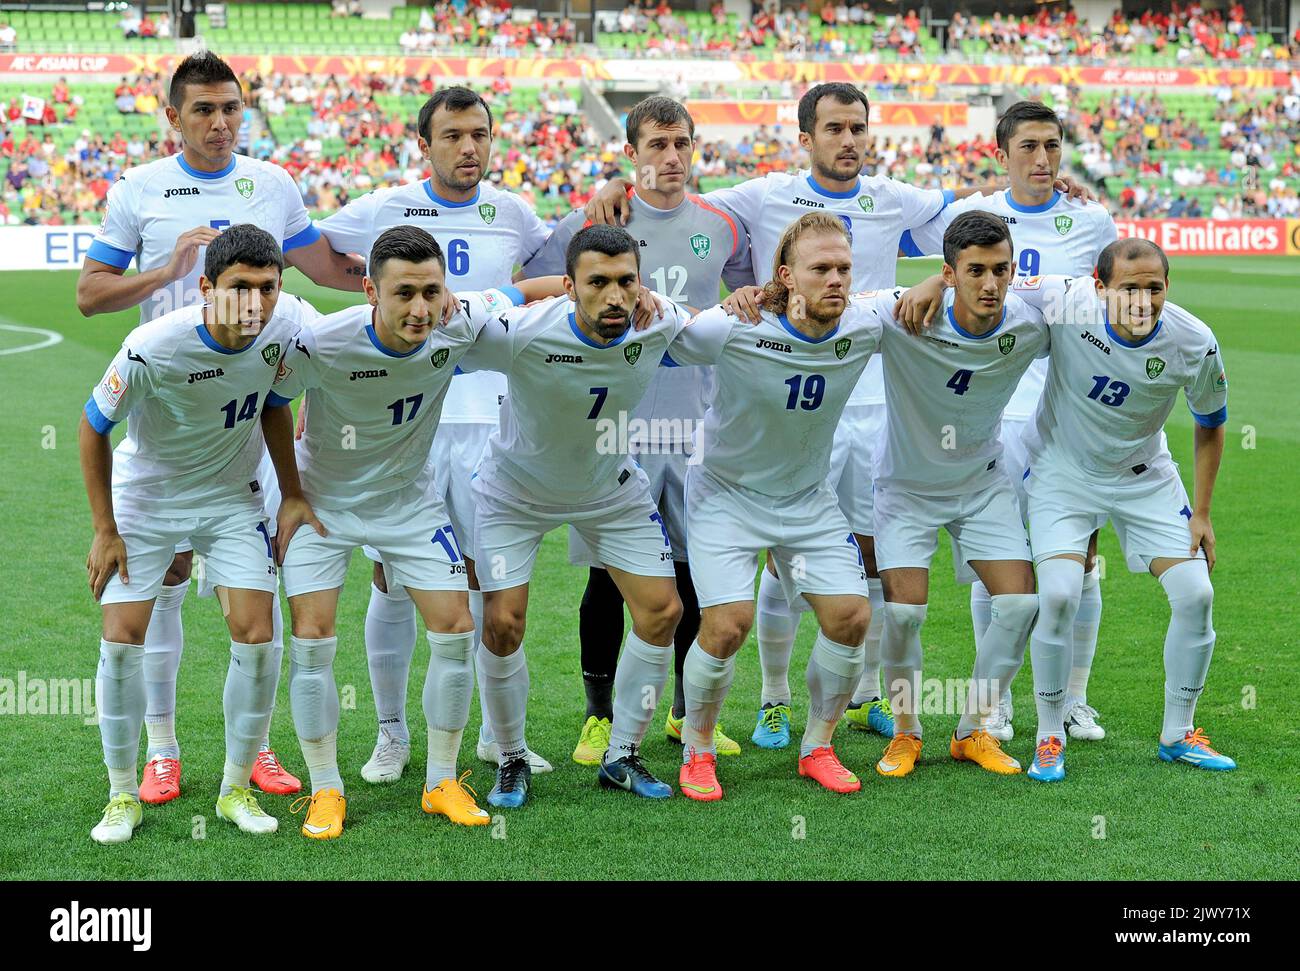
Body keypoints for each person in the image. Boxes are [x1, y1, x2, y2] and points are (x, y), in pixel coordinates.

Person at [587, 83, 977, 751]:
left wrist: (943, 275)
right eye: (834, 128)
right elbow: (678, 193)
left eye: (858, 127)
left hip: (866, 399)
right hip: (763, 404)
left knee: (868, 557)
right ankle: (770, 701)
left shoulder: (893, 197)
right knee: (765, 567)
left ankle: (862, 700)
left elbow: (972, 223)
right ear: (807, 137)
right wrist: (619, 179)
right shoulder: (762, 194)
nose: (848, 139)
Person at [77, 51, 365, 805]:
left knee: (253, 598)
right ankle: (163, 749)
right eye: (202, 109)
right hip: (166, 414)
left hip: (247, 415)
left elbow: (324, 267)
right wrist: (166, 269)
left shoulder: (272, 184)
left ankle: (257, 749)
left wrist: (397, 280)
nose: (219, 121)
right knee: (164, 585)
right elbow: (90, 295)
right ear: (172, 116)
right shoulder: (139, 189)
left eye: (231, 107)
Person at [267, 226, 566, 839]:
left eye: (432, 291)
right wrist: (292, 493)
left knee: (456, 631)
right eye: (404, 294)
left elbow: (523, 290)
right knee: (313, 639)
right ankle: (326, 789)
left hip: (410, 504)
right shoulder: (324, 341)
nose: (421, 308)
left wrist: (599, 287)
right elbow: (273, 401)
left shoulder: (454, 321)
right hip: (326, 505)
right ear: (371, 291)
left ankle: (441, 780)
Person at [316, 85, 553, 782]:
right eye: (452, 135)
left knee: (488, 583)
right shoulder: (384, 208)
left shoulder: (514, 212)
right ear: (426, 144)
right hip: (405, 426)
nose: (469, 147)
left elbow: (540, 283)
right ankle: (391, 734)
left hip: (493, 423)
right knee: (390, 578)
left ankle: (495, 735)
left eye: (479, 133)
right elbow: (320, 256)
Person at [519, 96, 753, 767]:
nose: (671, 158)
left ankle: (682, 712)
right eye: (656, 145)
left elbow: (744, 299)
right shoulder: (595, 221)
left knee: (688, 570)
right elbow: (530, 283)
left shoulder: (722, 224)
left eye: (681, 143)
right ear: (632, 153)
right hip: (614, 422)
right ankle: (599, 716)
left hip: (694, 422)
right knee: (606, 570)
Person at [79, 224, 313, 844]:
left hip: (232, 499)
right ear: (207, 288)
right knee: (123, 639)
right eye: (240, 288)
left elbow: (274, 404)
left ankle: (236, 787)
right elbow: (92, 424)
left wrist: (291, 493)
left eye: (268, 288)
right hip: (148, 500)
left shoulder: (283, 329)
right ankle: (122, 794)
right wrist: (105, 529)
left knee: (257, 636)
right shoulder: (152, 346)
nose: (255, 303)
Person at [900, 100, 1118, 742]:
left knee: (1080, 554)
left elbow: (1116, 296)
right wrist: (927, 285)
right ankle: (993, 703)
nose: (1043, 159)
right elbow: (910, 244)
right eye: (1028, 147)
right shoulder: (978, 216)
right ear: (1002, 155)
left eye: (1052, 145)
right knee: (991, 555)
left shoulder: (1091, 219)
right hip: (992, 408)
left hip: (1067, 410)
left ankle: (1074, 696)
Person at [462, 225, 698, 809]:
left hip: (609, 490)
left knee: (663, 611)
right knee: (502, 623)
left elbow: (713, 328)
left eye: (626, 282)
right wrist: (505, 293)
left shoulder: (657, 321)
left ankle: (622, 754)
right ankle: (511, 756)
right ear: (569, 287)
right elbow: (449, 324)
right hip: (514, 494)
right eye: (597, 283)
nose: (615, 297)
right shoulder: (524, 332)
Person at [667, 212, 883, 801]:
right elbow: (664, 331)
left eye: (843, 268)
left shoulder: (866, 322)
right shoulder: (735, 325)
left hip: (807, 499)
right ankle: (699, 749)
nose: (835, 279)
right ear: (787, 276)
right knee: (726, 625)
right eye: (820, 269)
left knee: (851, 617)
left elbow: (930, 295)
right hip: (726, 495)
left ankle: (817, 746)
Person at [1008, 239, 1234, 779]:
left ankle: (1178, 733)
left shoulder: (1193, 341)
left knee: (1196, 594)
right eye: (1128, 287)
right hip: (1062, 472)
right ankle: (1048, 735)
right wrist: (929, 285)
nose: (1142, 299)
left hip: (1144, 476)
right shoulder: (1065, 299)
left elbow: (1211, 423)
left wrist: (1200, 513)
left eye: (1153, 287)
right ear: (1099, 285)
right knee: (1059, 595)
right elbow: (986, 283)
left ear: (1167, 288)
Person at [866, 211, 1046, 779]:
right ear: (949, 272)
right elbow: (830, 300)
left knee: (1019, 604)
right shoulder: (903, 315)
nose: (990, 285)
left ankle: (972, 729)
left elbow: (1092, 301)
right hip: (906, 487)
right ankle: (906, 732)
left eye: (1000, 270)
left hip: (982, 483)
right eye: (975, 272)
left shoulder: (1031, 324)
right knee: (903, 615)